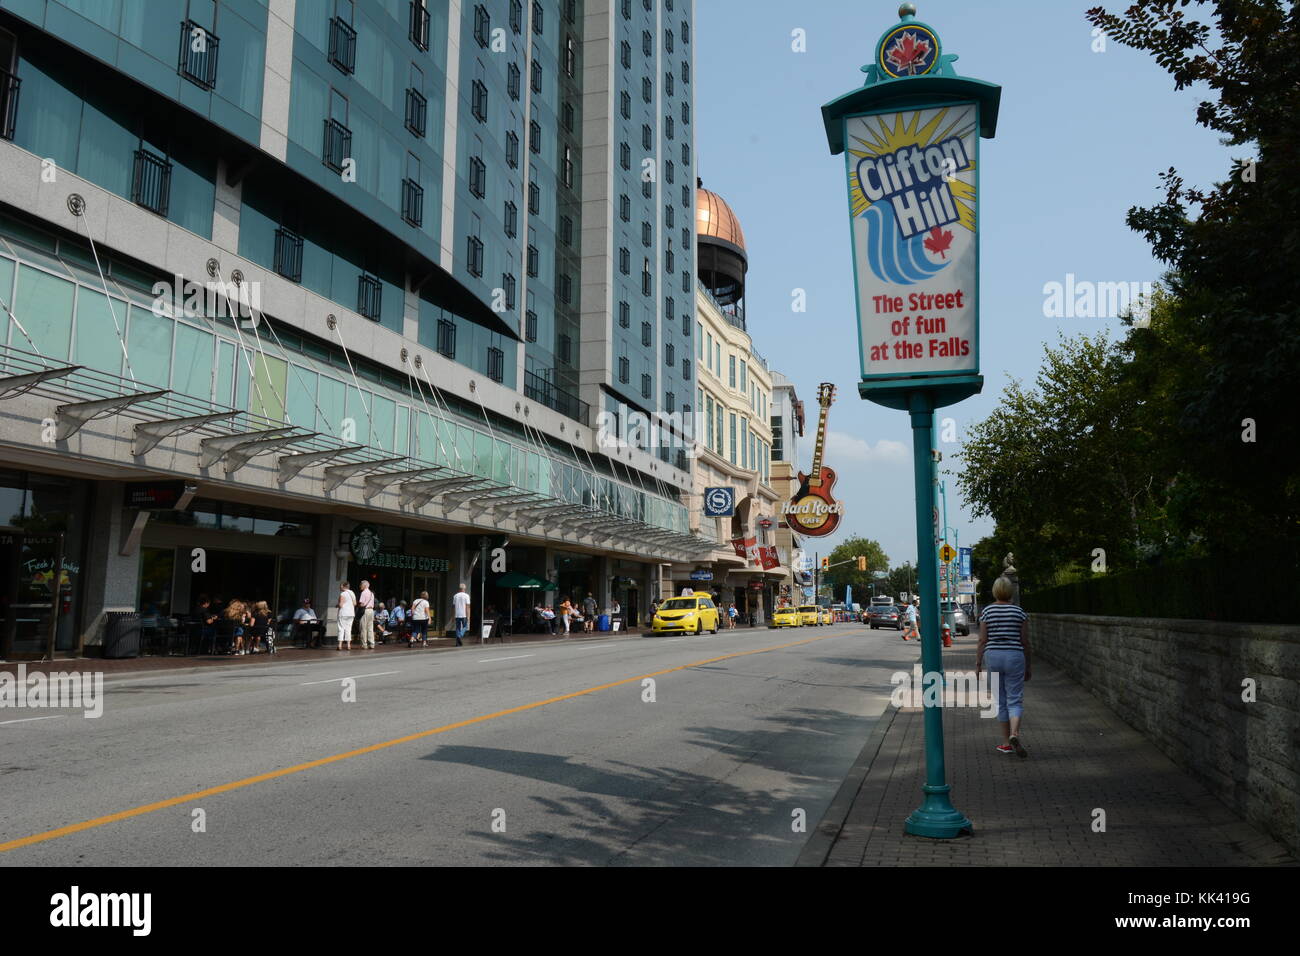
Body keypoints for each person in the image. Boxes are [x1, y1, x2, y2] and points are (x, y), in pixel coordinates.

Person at [977, 576, 1031, 757]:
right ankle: (1015, 733)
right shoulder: (1019, 612)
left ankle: (1006, 743)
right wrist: (1028, 666)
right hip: (1015, 657)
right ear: (1010, 592)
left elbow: (982, 640)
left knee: (1000, 701)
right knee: (1014, 699)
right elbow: (1025, 642)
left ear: (995, 591)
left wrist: (978, 664)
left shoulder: (987, 611)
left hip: (993, 656)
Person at [337, 580, 356, 651]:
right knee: (348, 629)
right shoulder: (352, 593)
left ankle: (340, 645)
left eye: (340, 585)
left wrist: (337, 605)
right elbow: (355, 604)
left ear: (343, 586)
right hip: (351, 613)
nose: (339, 587)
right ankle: (348, 645)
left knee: (341, 628)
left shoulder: (343, 594)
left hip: (343, 613)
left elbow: (341, 605)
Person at [357, 579, 376, 649]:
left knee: (363, 628)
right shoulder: (371, 593)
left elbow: (362, 604)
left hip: (365, 611)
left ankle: (364, 644)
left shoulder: (363, 593)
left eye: (361, 585)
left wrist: (358, 606)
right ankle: (372, 643)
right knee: (370, 628)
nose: (360, 586)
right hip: (371, 611)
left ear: (364, 585)